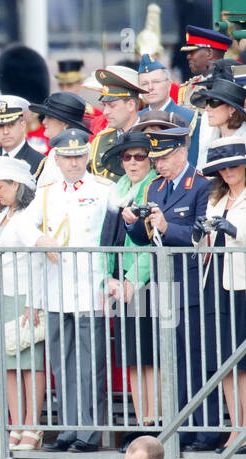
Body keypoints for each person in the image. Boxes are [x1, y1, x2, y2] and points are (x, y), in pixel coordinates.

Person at [17, 129, 113, 453]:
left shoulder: (104, 189)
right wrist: (39, 240)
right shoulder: (46, 192)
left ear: (87, 156)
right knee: (62, 362)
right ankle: (69, 429)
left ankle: (88, 432)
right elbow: (21, 226)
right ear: (55, 158)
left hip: (91, 286)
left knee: (89, 364)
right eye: (67, 157)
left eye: (79, 156)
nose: (73, 162)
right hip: (58, 289)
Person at [127, 126, 215, 451]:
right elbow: (146, 237)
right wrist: (132, 223)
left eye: (164, 158)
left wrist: (168, 227)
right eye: (156, 159)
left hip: (192, 284)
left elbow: (201, 235)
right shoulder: (153, 187)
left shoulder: (201, 185)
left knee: (195, 357)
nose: (159, 164)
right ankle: (181, 426)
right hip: (164, 285)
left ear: (181, 153)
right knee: (172, 359)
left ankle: (204, 429)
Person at [197, 136, 246, 452]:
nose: (228, 173)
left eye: (233, 166)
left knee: (244, 359)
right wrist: (201, 234)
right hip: (215, 280)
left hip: (244, 284)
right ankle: (237, 426)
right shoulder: (215, 198)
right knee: (223, 358)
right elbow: (202, 249)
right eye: (222, 169)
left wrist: (233, 231)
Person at [0, 156, 43, 449]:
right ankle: (16, 424)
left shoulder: (30, 214)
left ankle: (32, 424)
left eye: (0, 186)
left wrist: (34, 299)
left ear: (16, 185)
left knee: (30, 361)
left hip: (24, 292)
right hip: (2, 292)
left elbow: (38, 258)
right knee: (8, 363)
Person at [100, 131, 160, 439]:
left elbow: (152, 242)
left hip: (147, 280)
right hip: (119, 280)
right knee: (132, 357)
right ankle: (140, 421)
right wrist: (107, 278)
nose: (133, 162)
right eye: (127, 157)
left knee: (150, 355)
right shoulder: (117, 189)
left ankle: (154, 420)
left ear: (149, 160)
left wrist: (133, 279)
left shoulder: (154, 186)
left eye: (139, 156)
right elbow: (104, 240)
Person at [136, 53, 200, 166]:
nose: (150, 88)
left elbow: (193, 162)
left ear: (169, 85)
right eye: (144, 83)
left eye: (156, 82)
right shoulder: (137, 119)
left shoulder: (190, 118)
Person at [88, 68, 148, 179]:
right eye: (104, 106)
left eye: (112, 106)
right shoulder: (101, 140)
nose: (105, 112)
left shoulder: (151, 135)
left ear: (131, 105)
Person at [27, 92, 90, 186]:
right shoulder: (54, 152)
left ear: (65, 124)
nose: (44, 122)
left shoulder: (82, 151)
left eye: (49, 117)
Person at [192, 78, 246, 164]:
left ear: (231, 109)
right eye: (207, 102)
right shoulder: (211, 141)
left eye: (213, 102)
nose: (207, 108)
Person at [0, 95, 44, 175]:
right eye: (0, 126)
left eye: (11, 125)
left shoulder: (39, 161)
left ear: (22, 126)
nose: (5, 132)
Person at [178, 25, 233, 112]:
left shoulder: (231, 85)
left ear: (209, 53)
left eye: (192, 52)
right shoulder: (189, 87)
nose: (188, 56)